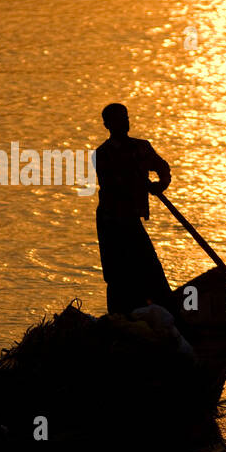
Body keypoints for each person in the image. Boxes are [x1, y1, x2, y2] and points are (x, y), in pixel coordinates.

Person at [95, 102, 173, 315]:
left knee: (150, 267)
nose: (125, 122)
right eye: (120, 119)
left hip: (130, 218)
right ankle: (120, 317)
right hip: (111, 221)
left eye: (126, 117)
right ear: (108, 125)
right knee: (117, 273)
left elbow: (162, 168)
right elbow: (112, 184)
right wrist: (137, 181)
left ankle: (161, 309)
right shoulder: (102, 154)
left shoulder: (141, 147)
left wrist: (159, 185)